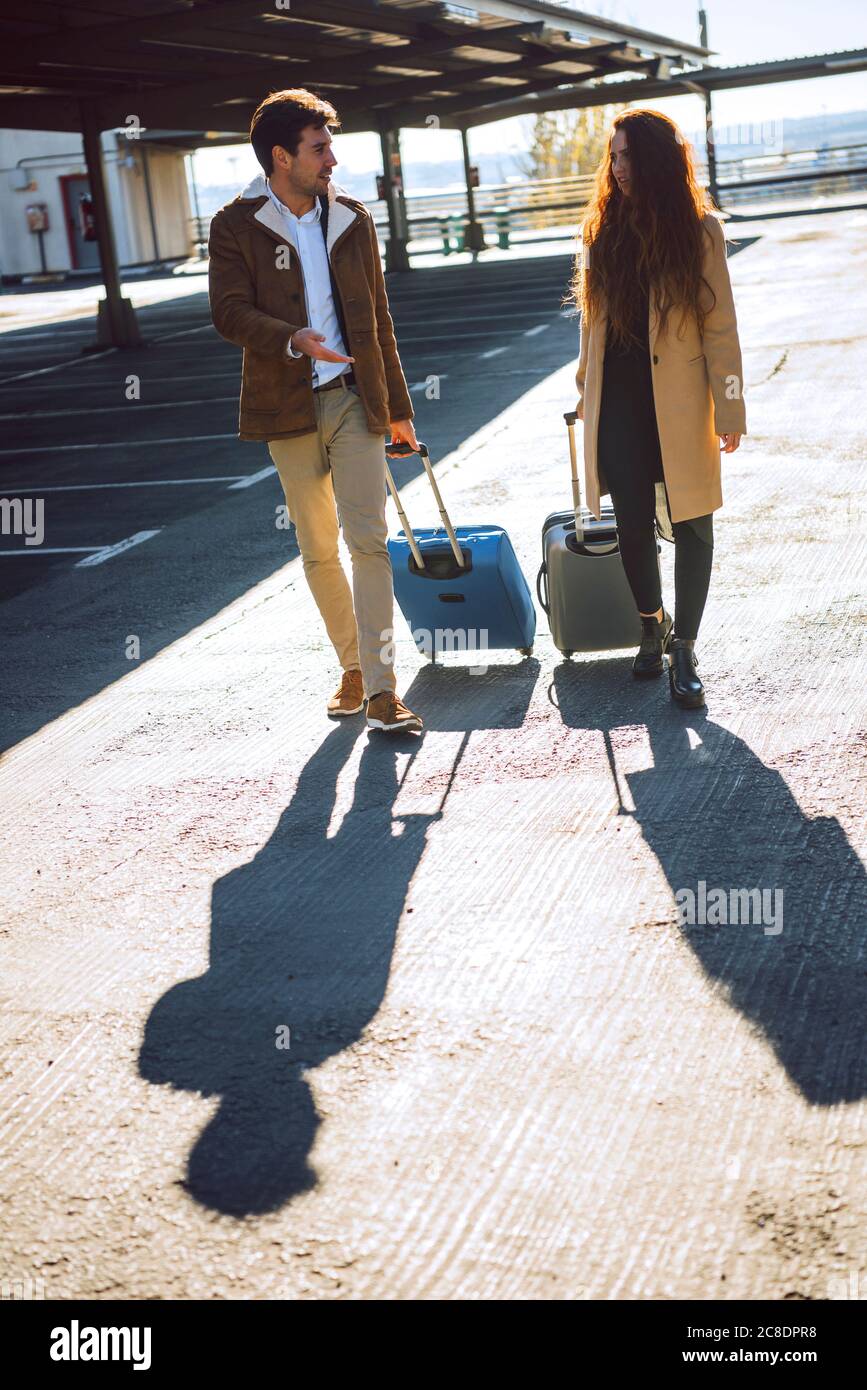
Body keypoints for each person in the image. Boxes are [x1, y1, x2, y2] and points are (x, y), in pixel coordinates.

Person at [208, 88, 423, 733]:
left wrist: (399, 410)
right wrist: (289, 336)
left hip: (354, 400)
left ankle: (384, 689)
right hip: (287, 407)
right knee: (318, 548)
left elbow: (379, 321)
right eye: (319, 148)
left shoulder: (353, 218)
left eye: (330, 146)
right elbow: (228, 312)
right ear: (282, 157)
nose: (332, 158)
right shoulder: (235, 225)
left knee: (370, 544)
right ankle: (353, 664)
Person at [572, 109, 747, 708]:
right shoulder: (600, 232)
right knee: (630, 519)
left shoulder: (699, 231)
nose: (616, 168)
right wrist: (582, 391)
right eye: (611, 158)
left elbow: (720, 327)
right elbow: (590, 325)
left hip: (679, 398)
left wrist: (731, 408)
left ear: (653, 160)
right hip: (617, 396)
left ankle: (687, 648)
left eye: (625, 156)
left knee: (695, 520)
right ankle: (652, 625)